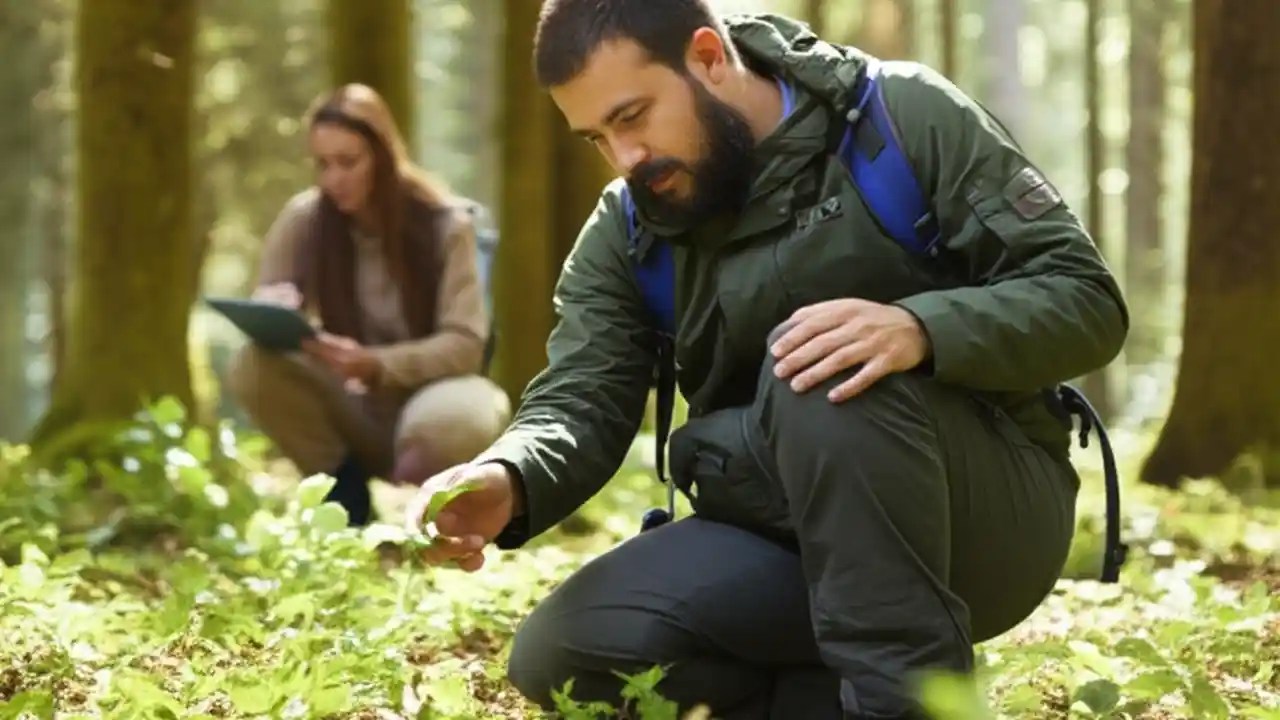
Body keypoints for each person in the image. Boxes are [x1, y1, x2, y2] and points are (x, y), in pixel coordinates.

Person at [404, 3, 1128, 719]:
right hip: (775, 526)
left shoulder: (901, 120)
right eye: (596, 137)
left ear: (709, 57)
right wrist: (512, 474)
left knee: (821, 372)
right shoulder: (627, 228)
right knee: (567, 654)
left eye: (633, 117)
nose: (625, 159)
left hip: (982, 521)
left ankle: (909, 707)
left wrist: (919, 328)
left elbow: (1084, 298)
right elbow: (581, 394)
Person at [227, 83, 511, 527]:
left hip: (431, 398)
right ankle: (346, 502)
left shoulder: (447, 225)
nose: (333, 179)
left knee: (463, 414)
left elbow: (465, 345)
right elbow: (270, 300)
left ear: (383, 155)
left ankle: (437, 517)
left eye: (348, 162)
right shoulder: (305, 220)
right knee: (252, 364)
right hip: (353, 405)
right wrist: (276, 306)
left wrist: (376, 364)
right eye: (322, 164)